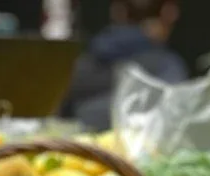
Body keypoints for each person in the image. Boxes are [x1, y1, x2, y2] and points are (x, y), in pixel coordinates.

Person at [67, 0, 187, 132]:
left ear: (117, 12)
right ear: (167, 13)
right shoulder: (168, 65)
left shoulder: (78, 65)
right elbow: (172, 111)